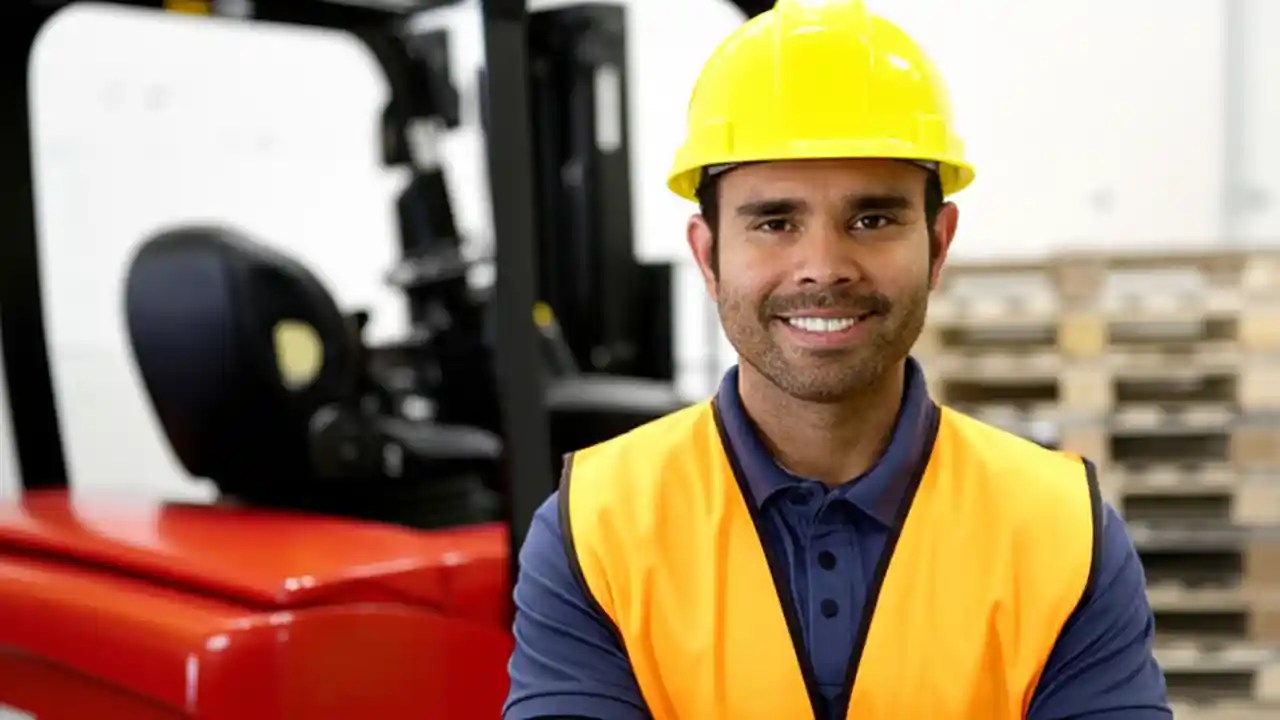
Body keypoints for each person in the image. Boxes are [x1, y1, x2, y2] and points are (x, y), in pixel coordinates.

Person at [503, 0, 1172, 717]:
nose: (823, 266)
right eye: (775, 222)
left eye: (873, 219)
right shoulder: (597, 527)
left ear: (939, 244)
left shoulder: (1060, 532)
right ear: (708, 254)